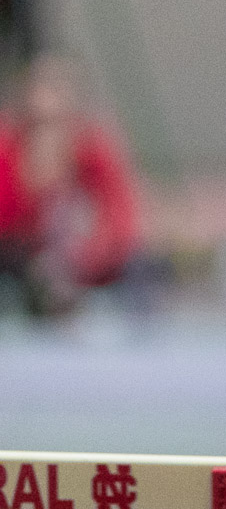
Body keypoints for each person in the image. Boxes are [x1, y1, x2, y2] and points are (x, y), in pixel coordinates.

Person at [0, 55, 139, 317]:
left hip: (84, 264)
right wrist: (31, 184)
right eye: (39, 122)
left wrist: (80, 260)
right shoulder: (8, 150)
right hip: (20, 261)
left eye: (56, 121)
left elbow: (122, 224)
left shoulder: (95, 151)